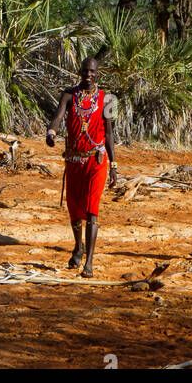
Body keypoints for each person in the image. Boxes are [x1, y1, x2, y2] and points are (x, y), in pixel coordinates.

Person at [46, 57, 117, 277]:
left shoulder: (108, 99)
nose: (88, 75)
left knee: (92, 210)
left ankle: (89, 262)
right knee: (75, 209)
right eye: (85, 71)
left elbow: (110, 133)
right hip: (74, 160)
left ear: (98, 73)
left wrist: (113, 165)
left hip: (96, 160)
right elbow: (58, 118)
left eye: (92, 72)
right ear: (80, 72)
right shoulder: (68, 95)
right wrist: (51, 132)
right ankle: (78, 247)